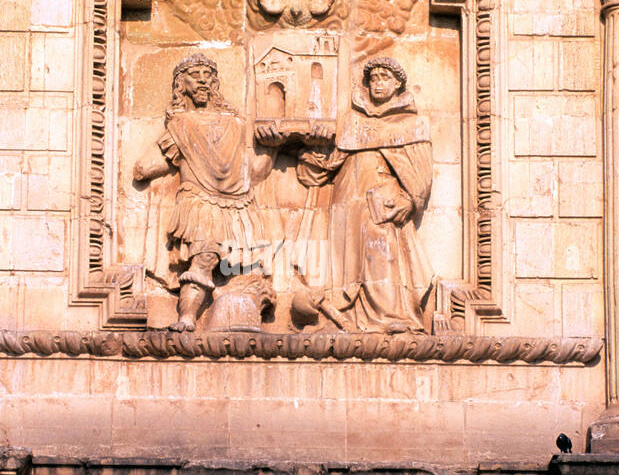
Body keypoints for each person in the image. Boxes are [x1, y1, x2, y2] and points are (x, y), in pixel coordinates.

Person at [295, 56, 434, 333]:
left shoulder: (411, 124)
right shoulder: (352, 123)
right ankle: (348, 319)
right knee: (344, 258)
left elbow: (420, 173)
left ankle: (391, 316)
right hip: (346, 202)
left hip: (381, 204)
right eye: (373, 79)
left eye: (385, 78)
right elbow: (332, 162)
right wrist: (304, 152)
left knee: (380, 255)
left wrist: (410, 199)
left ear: (397, 84)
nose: (378, 84)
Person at [133, 54, 271, 331]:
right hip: (203, 205)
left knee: (245, 273)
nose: (202, 80)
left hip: (239, 206)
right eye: (194, 75)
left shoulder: (235, 124)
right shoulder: (182, 124)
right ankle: (187, 317)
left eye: (207, 75)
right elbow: (144, 168)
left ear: (215, 82)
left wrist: (275, 144)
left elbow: (255, 172)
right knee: (203, 262)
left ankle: (233, 317)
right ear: (180, 84)